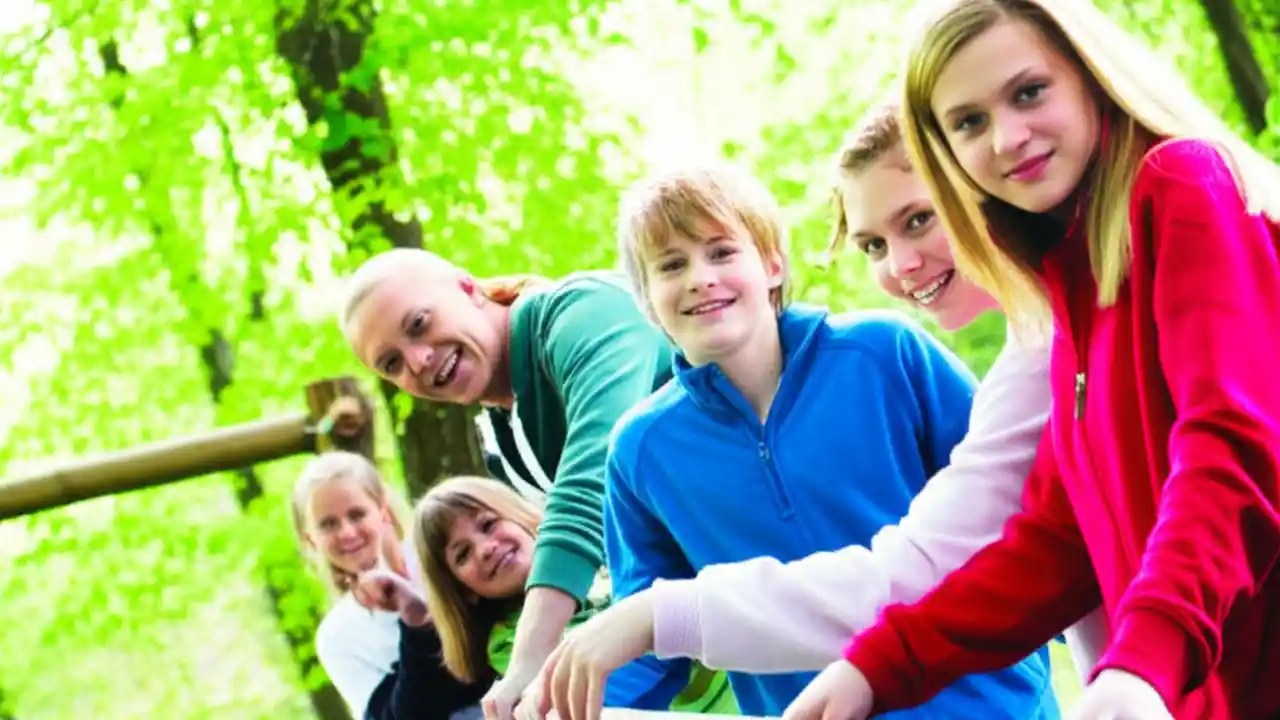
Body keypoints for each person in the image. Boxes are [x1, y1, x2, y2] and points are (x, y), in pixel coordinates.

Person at [783, 1, 1280, 718]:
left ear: (1088, 77)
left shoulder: (1181, 185)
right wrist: (879, 665)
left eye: (1028, 93)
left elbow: (1234, 448)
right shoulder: (1071, 286)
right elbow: (1059, 541)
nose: (1008, 139)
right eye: (969, 123)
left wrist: (1143, 661)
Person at [535, 102, 1111, 718]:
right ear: (645, 302)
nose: (700, 278)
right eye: (671, 265)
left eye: (721, 252)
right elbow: (647, 642)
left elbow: (1006, 523)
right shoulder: (641, 451)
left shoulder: (885, 354)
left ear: (773, 265)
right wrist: (563, 699)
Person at [341, 249, 675, 719]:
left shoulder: (584, 316)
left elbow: (594, 472)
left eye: (418, 324)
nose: (417, 362)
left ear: (467, 287)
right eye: (392, 364)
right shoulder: (505, 440)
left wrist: (530, 660)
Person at [409, 475, 738, 715]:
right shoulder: (512, 645)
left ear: (523, 517)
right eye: (462, 554)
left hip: (746, 672)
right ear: (462, 591)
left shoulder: (607, 553)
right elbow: (602, 685)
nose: (485, 549)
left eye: (488, 524)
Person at [291, 451, 485, 720]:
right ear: (311, 540)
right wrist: (415, 624)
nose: (347, 532)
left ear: (382, 511)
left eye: (357, 515)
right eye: (328, 524)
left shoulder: (441, 556)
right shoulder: (337, 637)